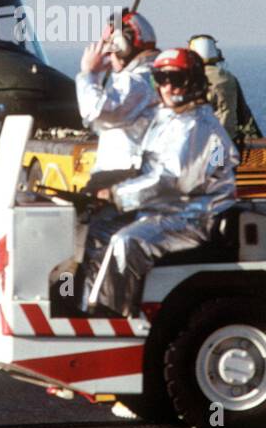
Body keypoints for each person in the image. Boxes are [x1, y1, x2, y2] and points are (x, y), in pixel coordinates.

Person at [79, 48, 239, 317]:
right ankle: (87, 305)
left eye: (174, 79)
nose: (166, 86)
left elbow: (171, 181)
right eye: (160, 79)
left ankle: (114, 320)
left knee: (125, 243)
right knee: (97, 233)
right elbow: (150, 167)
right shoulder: (170, 119)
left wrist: (117, 195)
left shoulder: (198, 126)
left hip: (193, 217)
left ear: (193, 82)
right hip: (166, 210)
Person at [76, 10, 161, 177]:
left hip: (121, 175)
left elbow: (95, 111)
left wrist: (89, 73)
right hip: (139, 172)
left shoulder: (135, 83)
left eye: (110, 51)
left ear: (123, 49)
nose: (108, 58)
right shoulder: (152, 78)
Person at [188, 34, 261, 145]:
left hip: (199, 142)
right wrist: (256, 137)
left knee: (213, 161)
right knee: (219, 161)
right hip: (226, 140)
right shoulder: (228, 78)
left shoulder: (190, 79)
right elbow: (243, 113)